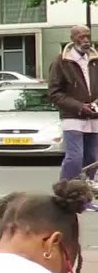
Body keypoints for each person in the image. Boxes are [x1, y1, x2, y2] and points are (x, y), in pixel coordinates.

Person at [47, 25, 98, 186]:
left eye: (88, 36)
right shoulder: (61, 61)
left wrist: (95, 103)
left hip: (94, 116)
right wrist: (79, 106)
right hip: (72, 117)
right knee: (75, 157)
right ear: (72, 38)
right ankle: (66, 188)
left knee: (92, 158)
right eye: (81, 37)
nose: (86, 40)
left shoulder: (95, 59)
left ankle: (87, 188)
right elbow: (54, 92)